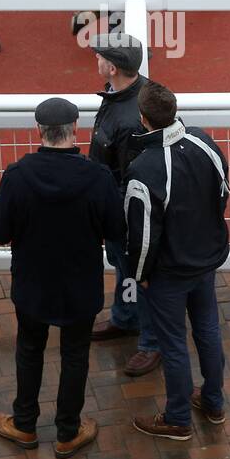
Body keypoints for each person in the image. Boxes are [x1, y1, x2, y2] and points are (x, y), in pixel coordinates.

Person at [0, 97, 125, 458]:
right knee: (75, 354)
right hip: (80, 285)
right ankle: (67, 431)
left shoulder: (17, 175)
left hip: (33, 284)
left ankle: (24, 424)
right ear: (74, 129)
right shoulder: (97, 176)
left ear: (39, 131)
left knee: (29, 350)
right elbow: (115, 228)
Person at [124, 80, 230, 441]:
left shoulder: (144, 167)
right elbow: (222, 193)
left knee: (173, 344)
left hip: (168, 273)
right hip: (205, 262)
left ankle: (178, 418)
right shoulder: (205, 141)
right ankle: (213, 403)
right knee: (208, 331)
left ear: (143, 119)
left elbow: (141, 236)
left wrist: (140, 275)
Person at [85, 33, 160, 377]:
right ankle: (125, 318)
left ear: (112, 67)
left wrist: (109, 215)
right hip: (119, 207)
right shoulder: (126, 92)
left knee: (139, 274)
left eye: (100, 56)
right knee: (125, 269)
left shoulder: (130, 117)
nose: (96, 60)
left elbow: (134, 179)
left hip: (128, 214)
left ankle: (150, 342)